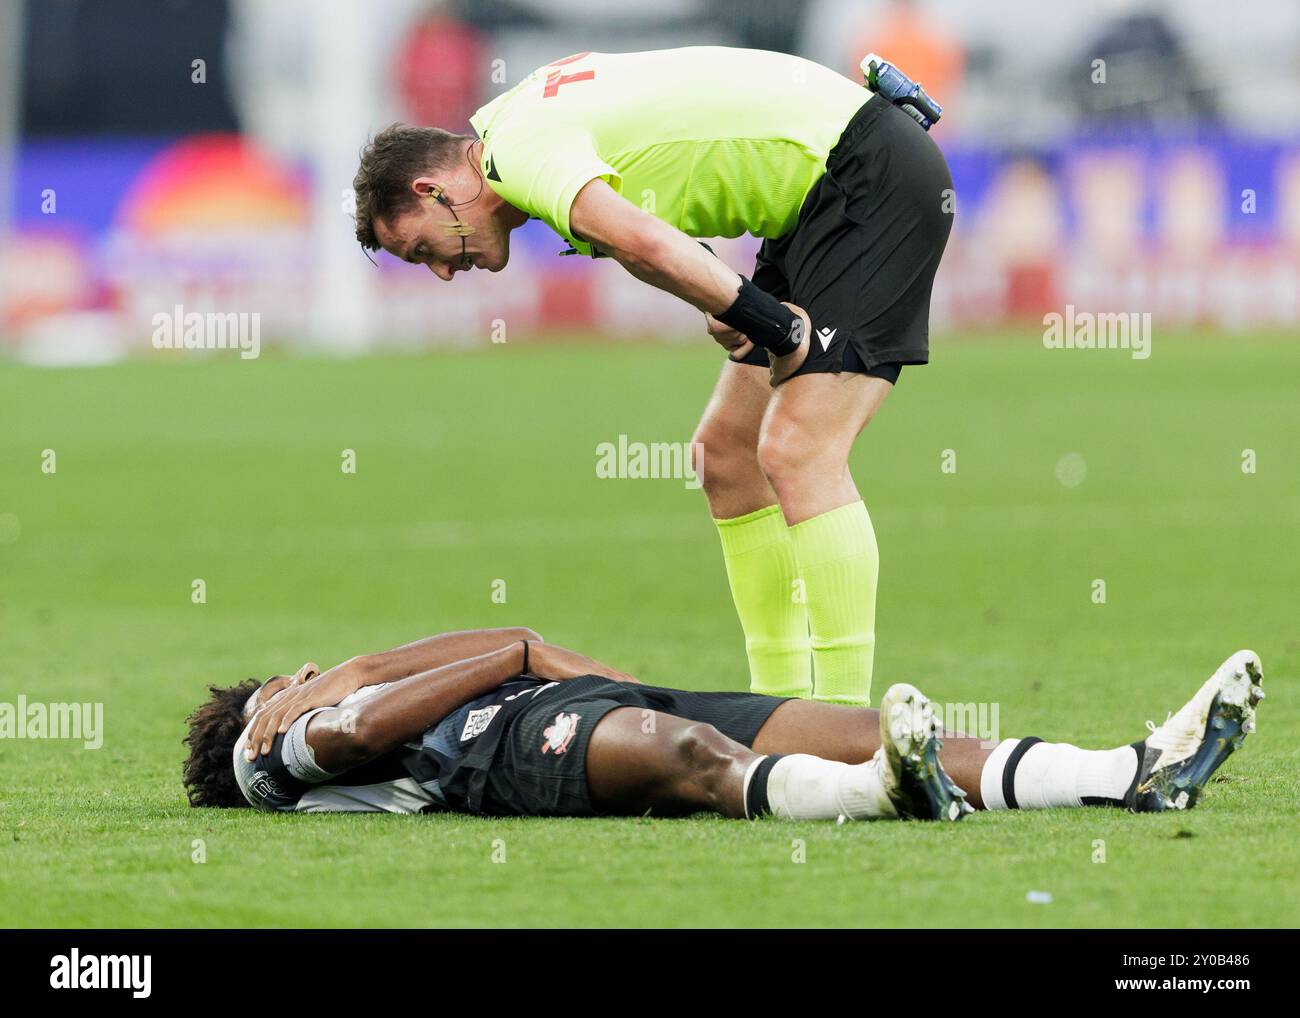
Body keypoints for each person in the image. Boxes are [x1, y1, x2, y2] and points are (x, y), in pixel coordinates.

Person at [350, 47, 955, 707]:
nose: (440, 271)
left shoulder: (516, 154)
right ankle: (776, 711)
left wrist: (771, 324)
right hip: (819, 198)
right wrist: (724, 300)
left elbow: (639, 239)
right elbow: (642, 218)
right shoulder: (510, 124)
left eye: (420, 249)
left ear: (430, 191)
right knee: (725, 456)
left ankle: (843, 723)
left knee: (800, 449)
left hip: (866, 178)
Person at [182, 626, 1264, 823]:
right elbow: (351, 735)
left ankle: (1130, 771)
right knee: (684, 758)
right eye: (282, 675)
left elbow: (542, 648)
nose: (305, 670)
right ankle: (879, 797)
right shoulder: (270, 749)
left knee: (846, 721)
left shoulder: (347, 683)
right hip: (495, 757)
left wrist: (526, 653)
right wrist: (508, 656)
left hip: (556, 705)